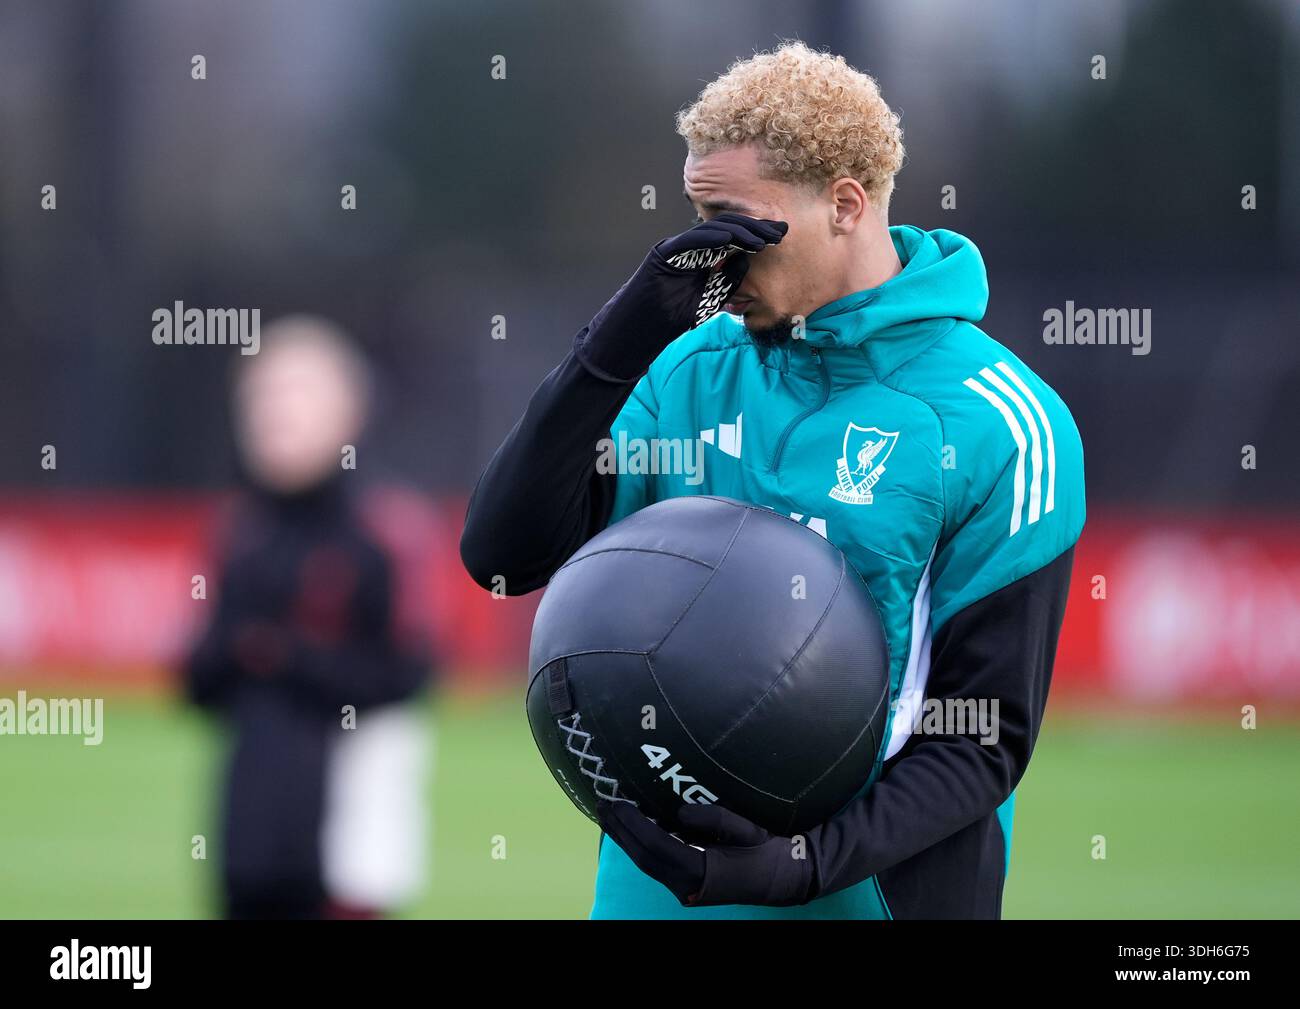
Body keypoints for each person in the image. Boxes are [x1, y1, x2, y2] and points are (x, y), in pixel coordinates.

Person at [460, 42, 1085, 920]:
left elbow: (982, 739)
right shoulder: (685, 370)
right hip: (654, 891)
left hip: (871, 897)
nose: (712, 261)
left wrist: (796, 866)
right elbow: (501, 555)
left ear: (844, 205)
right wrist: (616, 341)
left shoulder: (1004, 422)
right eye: (697, 220)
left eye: (735, 225)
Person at [184, 315, 436, 919]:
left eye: (295, 393)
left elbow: (408, 671)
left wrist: (285, 657)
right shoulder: (239, 531)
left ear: (349, 410)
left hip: (347, 839)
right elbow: (198, 679)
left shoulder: (383, 529)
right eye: (260, 396)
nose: (273, 413)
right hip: (249, 837)